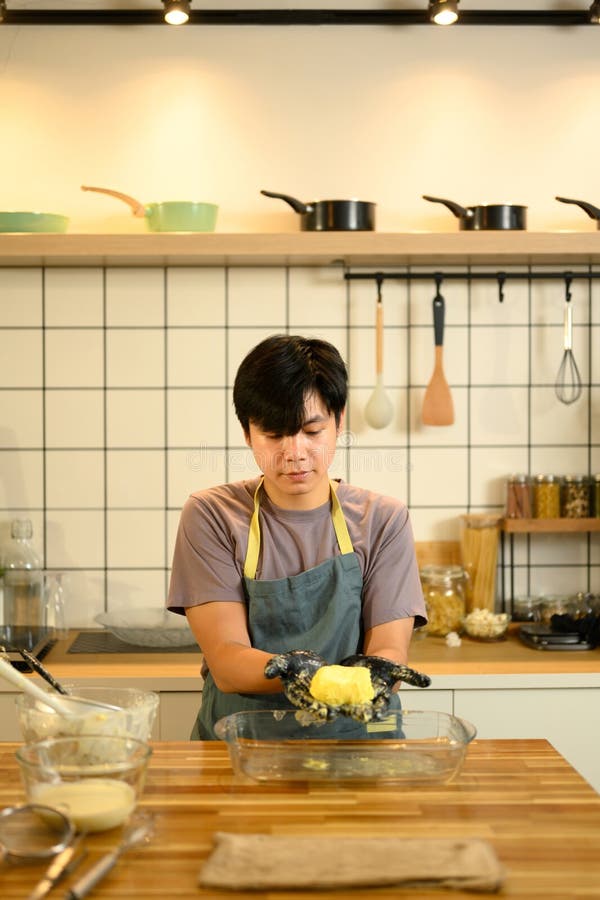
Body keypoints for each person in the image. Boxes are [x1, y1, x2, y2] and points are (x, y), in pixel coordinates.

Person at [167, 334, 427, 740]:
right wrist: (299, 672)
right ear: (247, 433)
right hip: (243, 746)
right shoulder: (212, 515)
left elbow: (389, 649)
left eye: (312, 430)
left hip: (360, 743)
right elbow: (227, 661)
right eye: (274, 434)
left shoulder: (383, 520)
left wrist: (380, 672)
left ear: (339, 422)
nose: (295, 452)